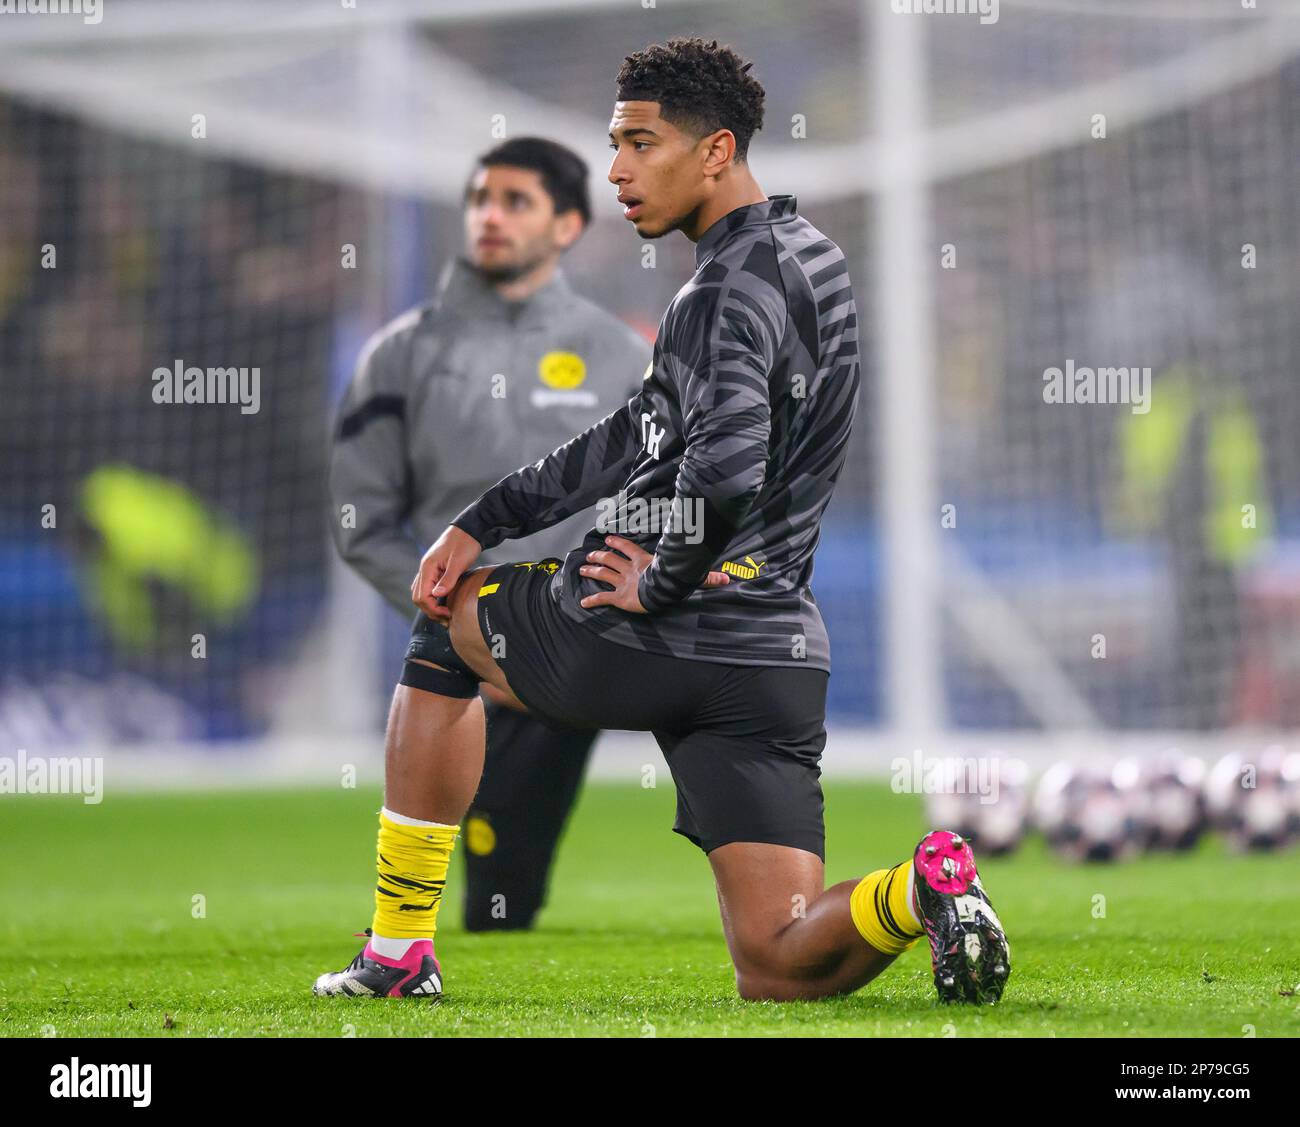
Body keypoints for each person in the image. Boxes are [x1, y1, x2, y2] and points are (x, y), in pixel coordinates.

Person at [314, 37, 1009, 1004]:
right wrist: (490, 516)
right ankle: (916, 894)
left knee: (444, 623)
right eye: (614, 143)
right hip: (774, 654)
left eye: (641, 143)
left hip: (645, 632)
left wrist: (662, 579)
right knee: (777, 960)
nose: (616, 170)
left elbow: (724, 467)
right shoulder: (815, 259)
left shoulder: (719, 289)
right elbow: (638, 438)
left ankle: (396, 953)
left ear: (716, 151)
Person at [329, 137, 650, 931]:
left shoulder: (623, 356)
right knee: (495, 904)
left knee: (727, 753)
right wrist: (457, 622)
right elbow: (360, 522)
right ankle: (410, 952)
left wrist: (620, 597)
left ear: (569, 224)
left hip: (583, 639)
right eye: (479, 200)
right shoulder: (400, 356)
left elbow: (661, 497)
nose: (490, 217)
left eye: (515, 201)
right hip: (459, 657)